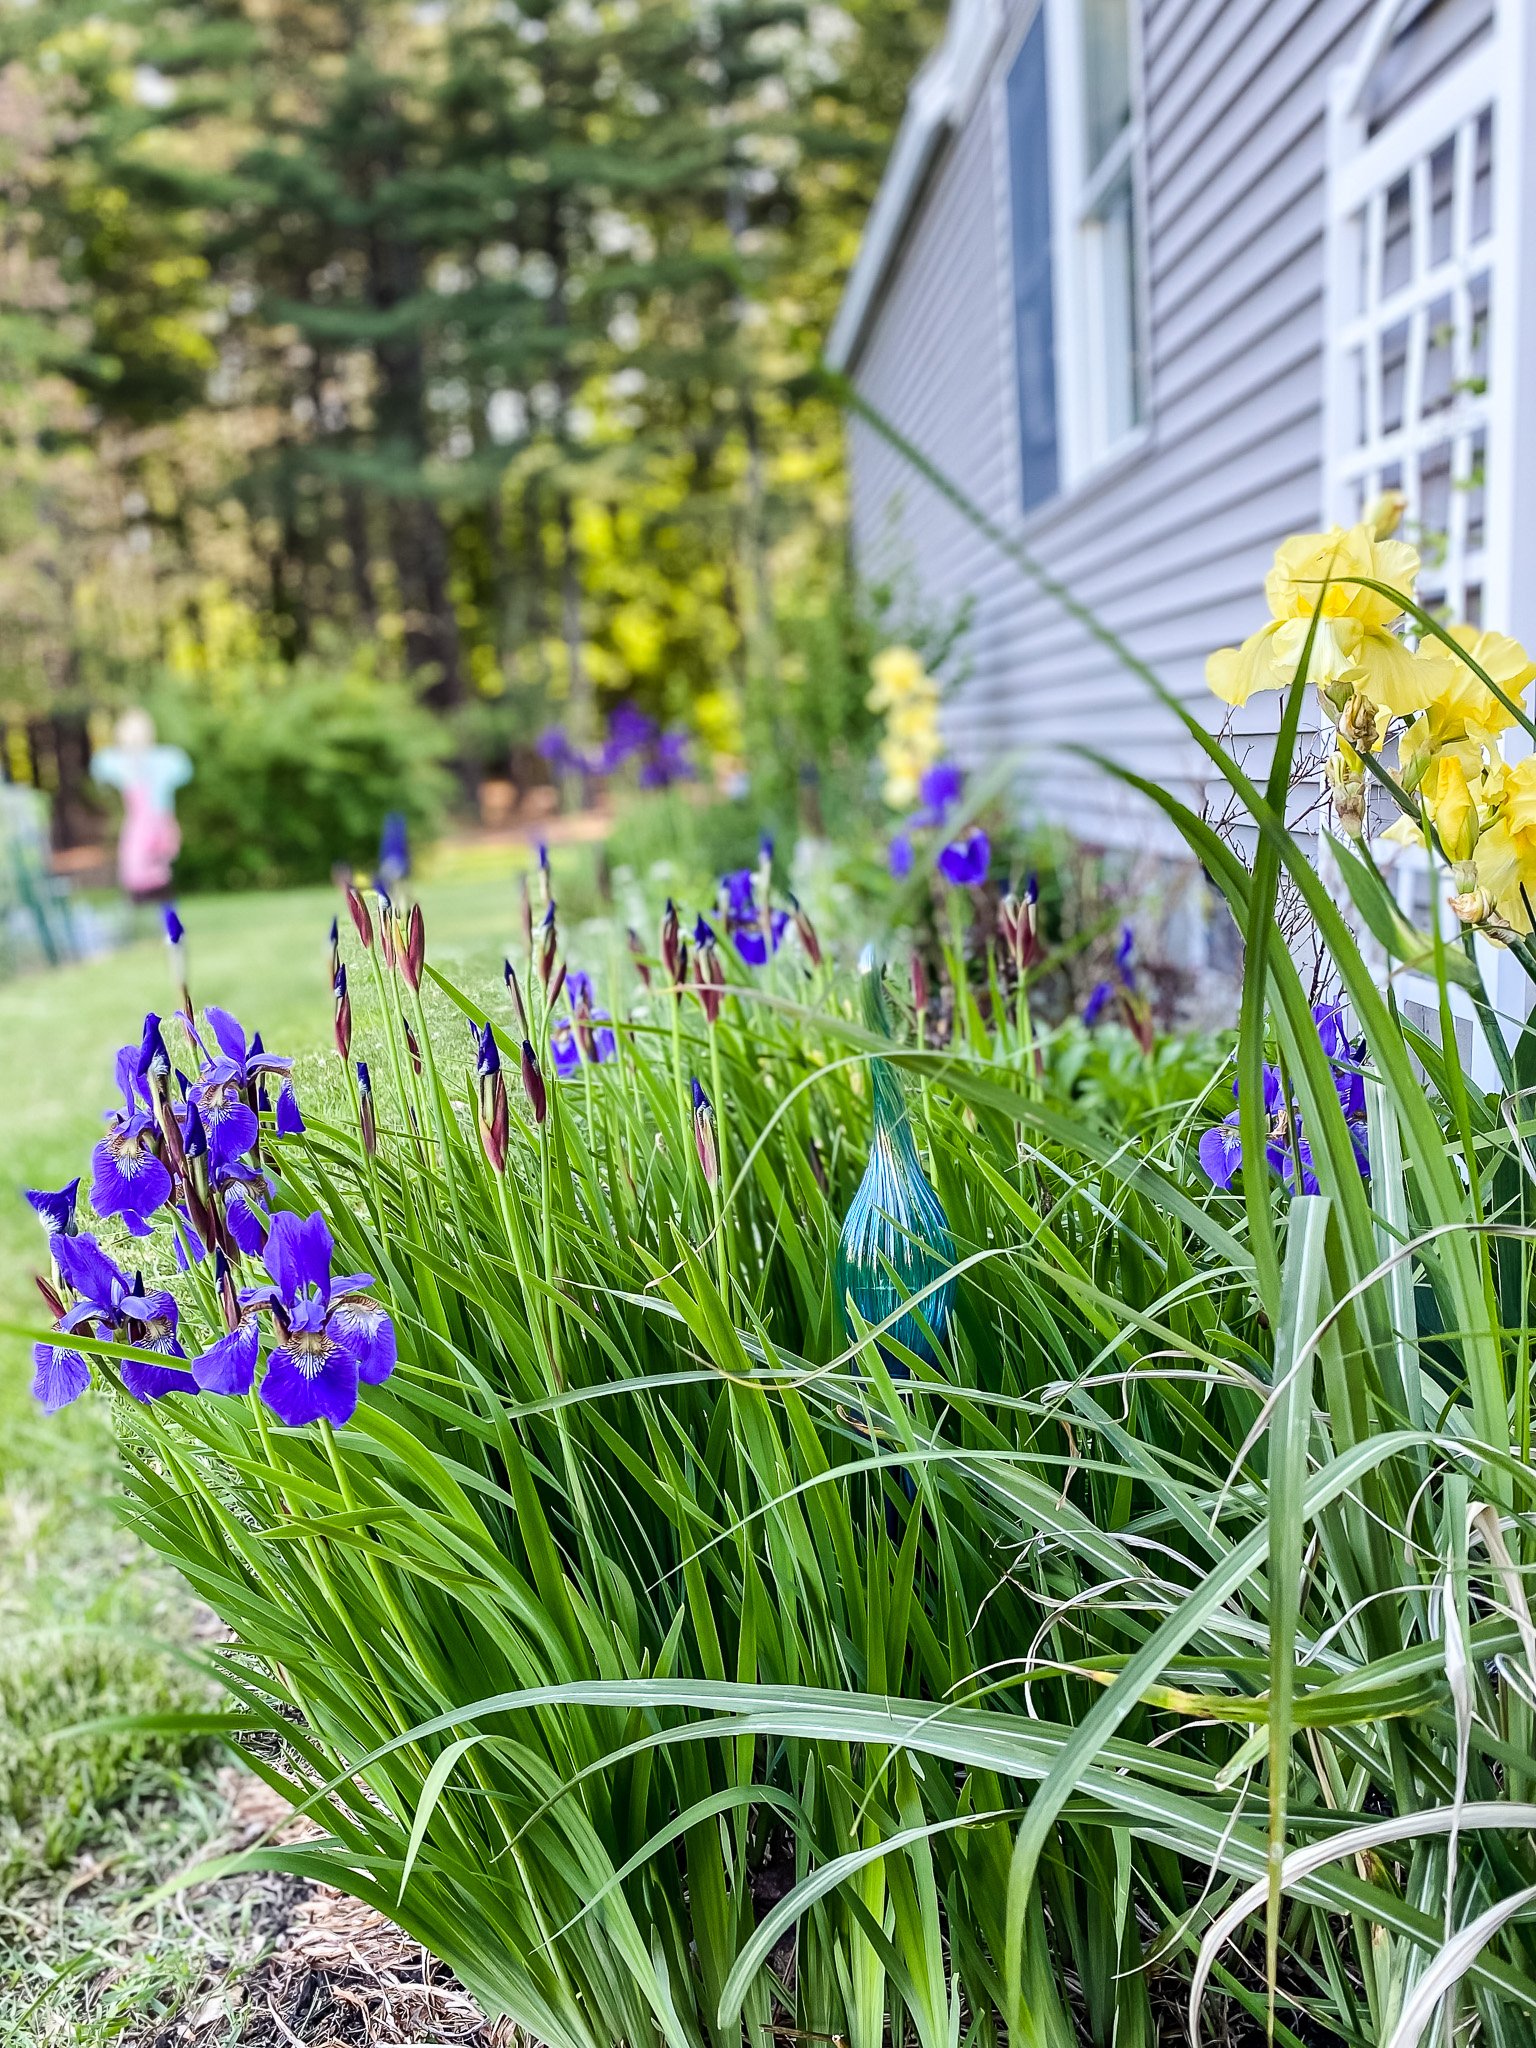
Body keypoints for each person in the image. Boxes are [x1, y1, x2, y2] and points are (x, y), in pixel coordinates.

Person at [91, 709, 192, 902]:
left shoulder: (162, 761)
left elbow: (183, 769)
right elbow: (100, 764)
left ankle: (172, 927)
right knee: (136, 871)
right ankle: (142, 922)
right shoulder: (122, 764)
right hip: (137, 828)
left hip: (159, 825)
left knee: (162, 876)